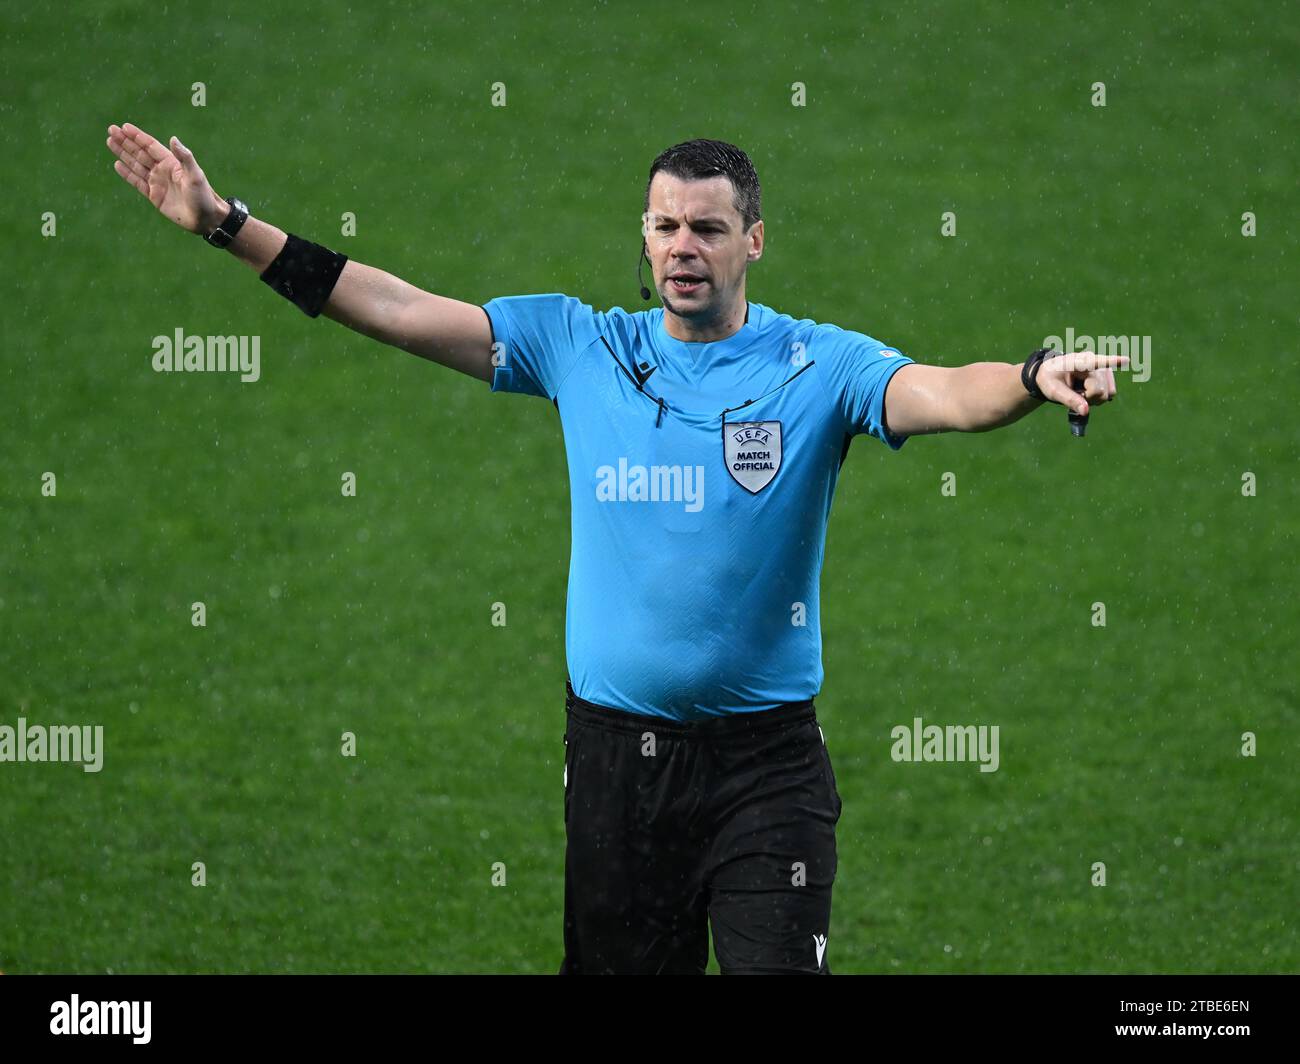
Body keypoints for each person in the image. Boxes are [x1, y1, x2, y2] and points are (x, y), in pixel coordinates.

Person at [105, 126, 1126, 974]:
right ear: (643, 238)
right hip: (615, 767)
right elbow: (398, 309)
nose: (684, 245)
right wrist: (228, 227)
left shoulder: (817, 364)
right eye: (666, 225)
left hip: (766, 766)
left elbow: (946, 391)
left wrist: (1034, 376)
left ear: (754, 241)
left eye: (709, 228)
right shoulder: (577, 345)